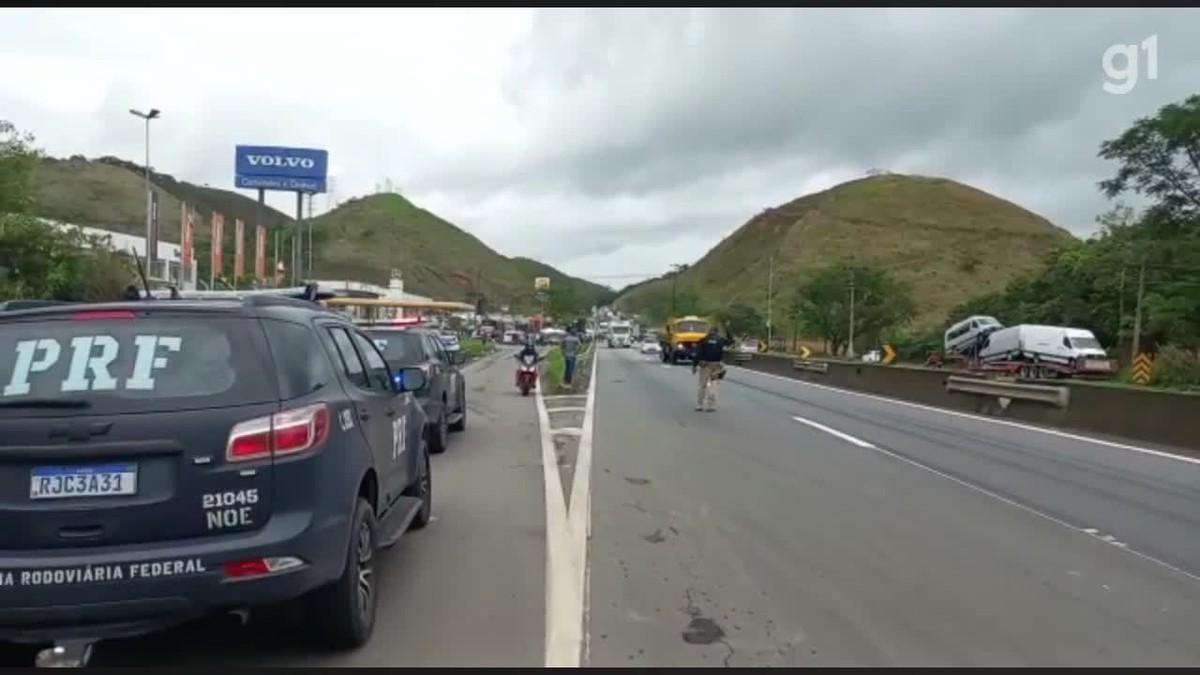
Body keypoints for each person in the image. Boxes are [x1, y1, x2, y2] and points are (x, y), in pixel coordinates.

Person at [692, 325, 733, 412]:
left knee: (702, 385)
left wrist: (694, 365)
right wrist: (727, 329)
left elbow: (698, 353)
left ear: (709, 331)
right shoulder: (721, 340)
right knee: (714, 385)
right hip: (716, 365)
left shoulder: (703, 340)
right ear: (717, 331)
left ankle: (699, 405)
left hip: (705, 365)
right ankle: (710, 406)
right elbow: (731, 341)